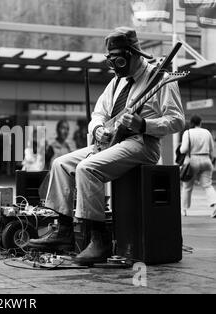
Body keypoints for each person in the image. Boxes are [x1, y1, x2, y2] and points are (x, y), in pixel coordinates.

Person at [29, 27, 185, 265]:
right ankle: (64, 232)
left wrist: (143, 124)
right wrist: (98, 129)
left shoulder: (161, 78)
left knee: (87, 169)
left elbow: (176, 120)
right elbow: (98, 114)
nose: (115, 64)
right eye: (110, 58)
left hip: (141, 143)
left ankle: (98, 240)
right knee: (60, 164)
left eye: (118, 57)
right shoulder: (115, 83)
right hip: (110, 142)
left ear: (133, 53)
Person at [180, 115, 216, 218]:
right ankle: (215, 204)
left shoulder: (188, 133)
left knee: (187, 187)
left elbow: (183, 149)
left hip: (192, 161)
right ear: (200, 122)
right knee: (207, 185)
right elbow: (212, 149)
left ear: (191, 123)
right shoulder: (207, 132)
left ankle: (184, 210)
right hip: (206, 159)